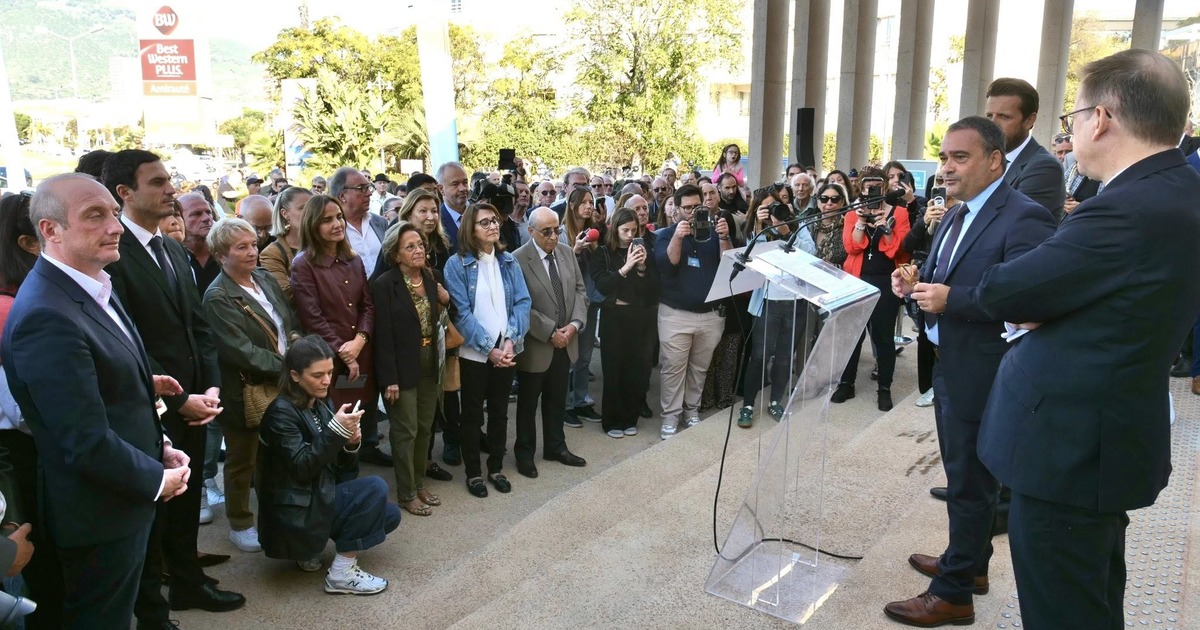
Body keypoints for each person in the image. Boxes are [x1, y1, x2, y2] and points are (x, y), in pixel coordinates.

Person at [911, 49, 1200, 629]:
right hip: (1101, 433)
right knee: (1088, 594)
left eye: (1073, 117)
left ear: (1102, 119)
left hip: (1070, 446)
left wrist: (1036, 304)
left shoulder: (1124, 209)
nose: (1069, 133)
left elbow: (1007, 289)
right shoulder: (1177, 191)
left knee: (1063, 607)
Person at [884, 116, 1056, 627]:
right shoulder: (957, 216)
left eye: (960, 157)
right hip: (950, 364)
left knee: (970, 482)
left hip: (989, 373)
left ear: (995, 160)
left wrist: (951, 299)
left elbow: (1030, 299)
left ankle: (954, 592)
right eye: (943, 157)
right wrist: (912, 285)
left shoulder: (1024, 216)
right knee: (966, 477)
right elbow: (938, 282)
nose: (947, 168)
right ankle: (972, 563)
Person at [1, 174, 188, 627]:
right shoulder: (46, 313)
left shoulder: (95, 282)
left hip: (124, 498)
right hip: (98, 513)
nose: (116, 225)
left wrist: (158, 445)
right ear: (50, 230)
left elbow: (118, 395)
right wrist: (155, 480)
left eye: (113, 212)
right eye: (94, 215)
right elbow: (81, 438)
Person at [101, 150, 245, 619]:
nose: (170, 189)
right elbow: (127, 339)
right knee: (154, 512)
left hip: (199, 402)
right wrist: (179, 399)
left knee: (184, 509)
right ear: (125, 193)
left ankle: (188, 582)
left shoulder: (172, 249)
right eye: (158, 182)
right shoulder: (113, 256)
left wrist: (211, 389)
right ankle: (150, 611)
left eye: (169, 180)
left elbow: (198, 327)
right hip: (153, 409)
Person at [257, 335, 400, 594]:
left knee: (389, 514)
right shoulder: (280, 411)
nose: (326, 381)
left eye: (330, 372)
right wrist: (335, 432)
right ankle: (341, 573)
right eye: (317, 375)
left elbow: (342, 468)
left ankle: (310, 547)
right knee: (375, 487)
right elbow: (302, 468)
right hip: (291, 511)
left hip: (313, 496)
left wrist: (350, 442)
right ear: (295, 376)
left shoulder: (321, 401)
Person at [202, 218, 303, 555]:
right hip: (246, 389)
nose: (251, 252)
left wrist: (298, 347)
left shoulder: (261, 277)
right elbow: (240, 352)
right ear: (220, 255)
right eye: (241, 247)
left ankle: (274, 514)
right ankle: (240, 522)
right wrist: (291, 368)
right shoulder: (218, 296)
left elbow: (286, 318)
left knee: (276, 454)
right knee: (242, 458)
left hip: (282, 380)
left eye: (252, 244)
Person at [290, 194, 385, 469]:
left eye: (339, 217)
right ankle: (339, 475)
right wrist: (345, 351)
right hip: (329, 359)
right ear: (312, 225)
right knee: (335, 419)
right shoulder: (303, 264)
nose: (337, 224)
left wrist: (360, 340)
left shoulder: (352, 259)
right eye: (327, 220)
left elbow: (367, 305)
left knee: (361, 412)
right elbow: (313, 318)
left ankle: (361, 455)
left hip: (360, 352)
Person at [443, 202, 531, 498]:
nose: (493, 226)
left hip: (506, 351)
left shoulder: (509, 262)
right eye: (485, 222)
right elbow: (461, 314)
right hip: (474, 355)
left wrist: (509, 342)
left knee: (499, 412)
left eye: (494, 220)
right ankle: (473, 473)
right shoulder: (456, 265)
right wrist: (489, 348)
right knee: (471, 416)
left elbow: (522, 302)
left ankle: (495, 468)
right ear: (470, 228)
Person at [371, 222, 449, 516]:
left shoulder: (431, 277)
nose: (419, 250)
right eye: (410, 247)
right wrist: (388, 378)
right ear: (395, 255)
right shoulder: (383, 285)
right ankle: (406, 493)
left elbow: (442, 316)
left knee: (426, 428)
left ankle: (419, 484)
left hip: (431, 361)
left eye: (420, 245)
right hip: (400, 367)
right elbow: (383, 337)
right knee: (405, 431)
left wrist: (446, 299)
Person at [511, 208, 589, 474]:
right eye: (547, 231)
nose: (554, 236)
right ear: (531, 231)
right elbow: (520, 306)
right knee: (528, 403)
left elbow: (580, 291)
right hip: (537, 346)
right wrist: (550, 332)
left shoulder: (567, 253)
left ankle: (556, 446)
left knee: (557, 399)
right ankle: (524, 454)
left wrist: (574, 326)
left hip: (567, 341)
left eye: (556, 229)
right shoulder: (517, 260)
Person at [653, 184, 734, 439]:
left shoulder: (713, 232)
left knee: (699, 368)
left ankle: (691, 411)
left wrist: (724, 237)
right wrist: (678, 235)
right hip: (676, 315)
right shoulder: (665, 234)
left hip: (710, 315)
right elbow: (668, 264)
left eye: (695, 207)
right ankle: (670, 418)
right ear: (676, 209)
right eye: (686, 208)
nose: (691, 212)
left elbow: (729, 264)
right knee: (673, 368)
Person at [830, 167, 911, 412]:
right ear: (861, 187)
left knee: (883, 337)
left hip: (886, 280)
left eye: (876, 185)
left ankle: (884, 388)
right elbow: (852, 247)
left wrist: (885, 226)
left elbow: (898, 251)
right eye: (867, 186)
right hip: (857, 279)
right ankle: (847, 383)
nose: (871, 190)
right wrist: (862, 221)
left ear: (885, 186)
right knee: (853, 335)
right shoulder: (854, 212)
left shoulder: (900, 213)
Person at [738, 188, 815, 428]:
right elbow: (753, 261)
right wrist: (762, 229)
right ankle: (748, 405)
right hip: (768, 302)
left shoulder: (798, 226)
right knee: (759, 356)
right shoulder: (757, 230)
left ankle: (775, 402)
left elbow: (811, 253)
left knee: (784, 358)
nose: (774, 213)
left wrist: (788, 229)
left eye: (776, 207)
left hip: (795, 303)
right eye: (768, 208)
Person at [590, 208, 659, 437]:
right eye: (625, 230)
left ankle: (630, 418)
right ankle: (611, 421)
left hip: (639, 316)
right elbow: (603, 285)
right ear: (614, 228)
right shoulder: (603, 252)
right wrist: (626, 267)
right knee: (613, 370)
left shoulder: (643, 250)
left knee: (635, 370)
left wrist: (640, 269)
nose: (630, 235)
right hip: (614, 317)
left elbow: (649, 290)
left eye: (634, 230)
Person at [984, 77, 1066, 220]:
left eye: (1004, 116)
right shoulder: (986, 162)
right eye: (989, 116)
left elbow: (1011, 225)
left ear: (1029, 120)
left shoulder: (1043, 167)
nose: (992, 124)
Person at [559, 188, 602, 426]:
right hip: (569, 305)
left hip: (591, 300)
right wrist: (575, 251)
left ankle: (581, 399)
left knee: (585, 356)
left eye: (591, 202)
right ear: (573, 205)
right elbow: (561, 273)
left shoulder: (593, 233)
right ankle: (564, 405)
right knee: (570, 358)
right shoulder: (562, 234)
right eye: (584, 202)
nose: (589, 206)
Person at [259, 186, 312, 300]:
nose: (310, 213)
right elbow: (287, 296)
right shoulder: (272, 254)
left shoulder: (326, 242)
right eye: (302, 208)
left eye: (313, 208)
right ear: (285, 213)